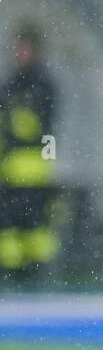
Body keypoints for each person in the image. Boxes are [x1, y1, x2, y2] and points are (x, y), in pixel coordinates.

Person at [0, 22, 59, 284]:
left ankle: (36, 274)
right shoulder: (11, 82)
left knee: (35, 224)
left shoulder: (43, 83)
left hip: (36, 170)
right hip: (10, 168)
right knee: (9, 224)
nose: (22, 53)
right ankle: (12, 272)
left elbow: (41, 125)